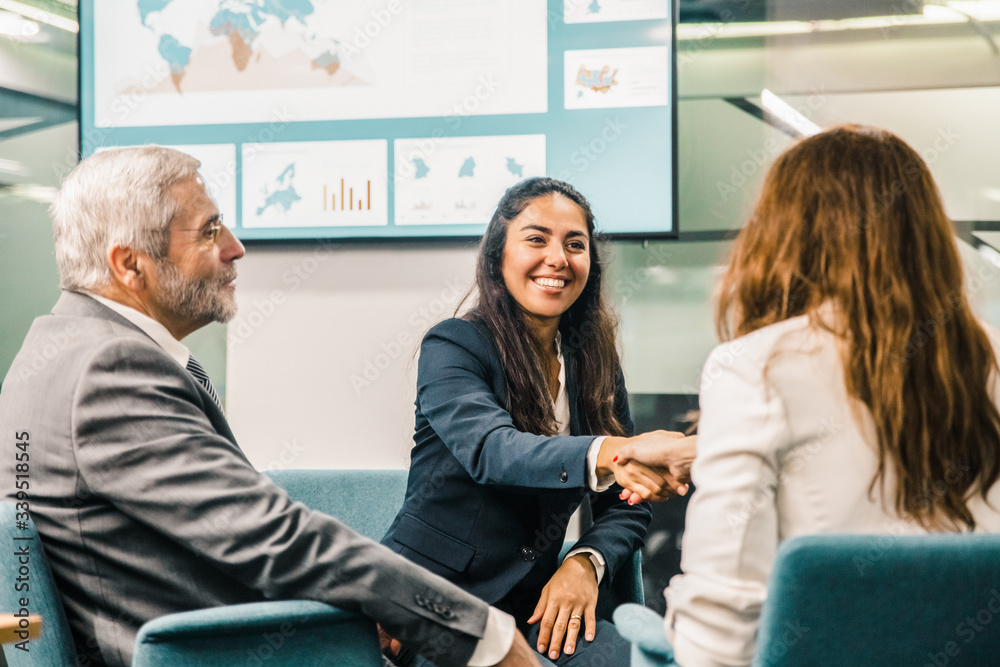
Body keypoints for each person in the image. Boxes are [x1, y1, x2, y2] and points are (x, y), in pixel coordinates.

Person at [0, 146, 540, 667]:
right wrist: (479, 634)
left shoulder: (52, 347)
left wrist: (366, 604)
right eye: (209, 230)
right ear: (129, 264)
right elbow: (276, 539)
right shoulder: (109, 369)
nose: (234, 247)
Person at [619, 124, 1000, 666]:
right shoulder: (988, 356)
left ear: (784, 237)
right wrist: (700, 448)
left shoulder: (756, 366)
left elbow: (722, 620)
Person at [381, 177, 685, 666]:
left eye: (575, 244)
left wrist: (585, 563)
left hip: (538, 605)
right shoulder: (455, 346)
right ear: (499, 256)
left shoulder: (595, 365)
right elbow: (492, 450)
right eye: (536, 239)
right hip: (436, 606)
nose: (558, 259)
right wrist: (608, 453)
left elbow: (627, 504)